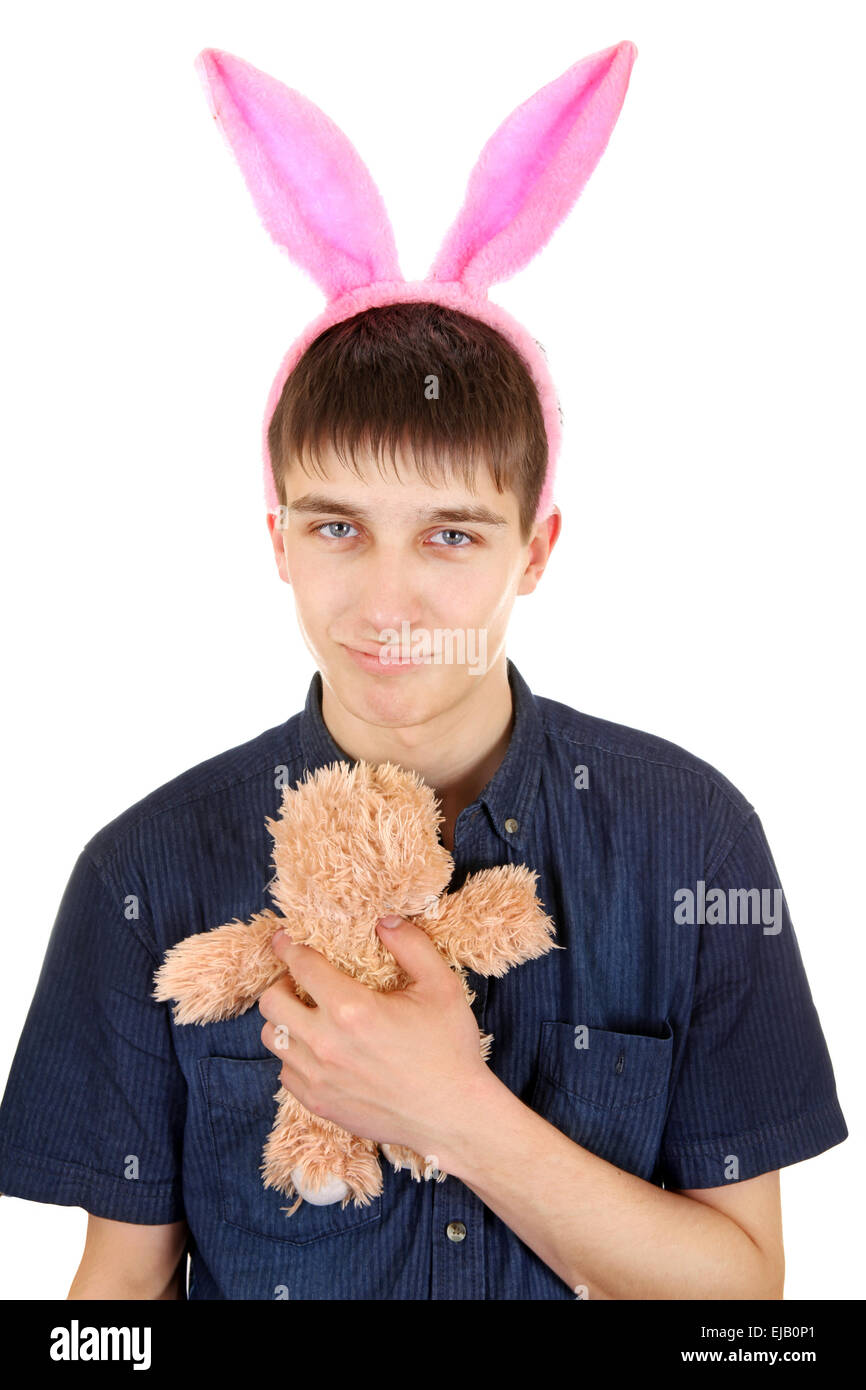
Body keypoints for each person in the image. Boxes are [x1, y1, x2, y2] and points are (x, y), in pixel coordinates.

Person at [0, 300, 848, 1299]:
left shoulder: (691, 841)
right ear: (278, 540)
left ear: (534, 551)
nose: (386, 604)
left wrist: (453, 1112)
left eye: (449, 534)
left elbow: (742, 1301)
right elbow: (119, 1294)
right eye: (336, 528)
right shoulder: (143, 871)